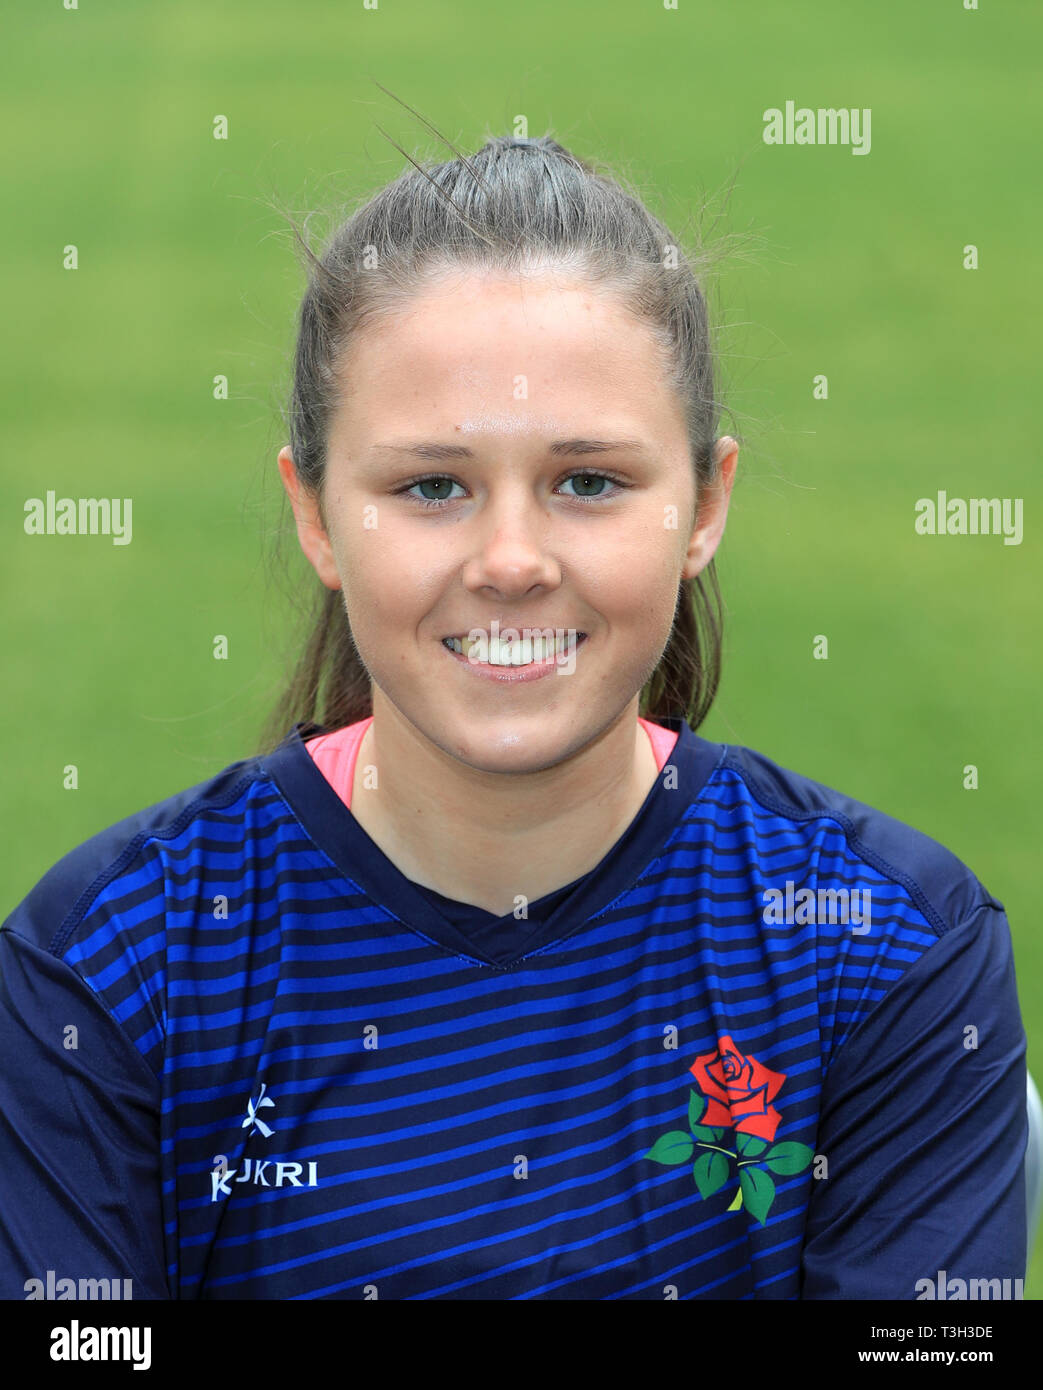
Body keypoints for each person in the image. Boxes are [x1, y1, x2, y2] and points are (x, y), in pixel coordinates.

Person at [0, 129, 1027, 1301]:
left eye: (587, 481)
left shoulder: (882, 945)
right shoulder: (116, 957)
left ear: (703, 504)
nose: (509, 559)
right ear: (318, 515)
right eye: (429, 486)